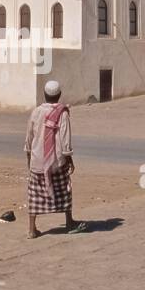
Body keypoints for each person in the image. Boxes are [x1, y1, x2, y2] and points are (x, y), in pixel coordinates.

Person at [24, 79, 86, 239]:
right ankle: (69, 221)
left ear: (44, 95)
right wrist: (69, 158)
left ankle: (32, 229)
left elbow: (29, 137)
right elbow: (65, 139)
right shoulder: (63, 113)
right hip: (56, 162)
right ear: (59, 95)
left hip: (37, 160)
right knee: (64, 190)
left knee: (34, 194)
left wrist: (29, 156)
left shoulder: (36, 111)